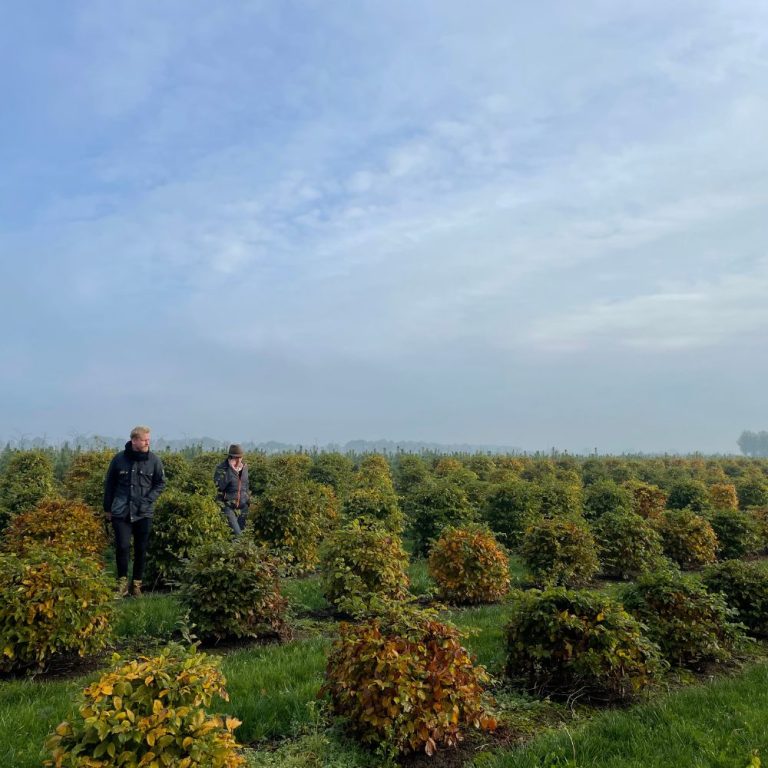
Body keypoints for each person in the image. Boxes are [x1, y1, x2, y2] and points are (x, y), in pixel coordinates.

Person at [103, 426, 166, 597]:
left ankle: (136, 585)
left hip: (143, 512)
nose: (148, 442)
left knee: (141, 548)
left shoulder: (154, 460)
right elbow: (109, 485)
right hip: (121, 511)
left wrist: (148, 500)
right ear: (134, 441)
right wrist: (107, 509)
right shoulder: (119, 460)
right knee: (122, 546)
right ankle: (122, 583)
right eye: (145, 439)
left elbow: (160, 483)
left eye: (148, 439)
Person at [214, 444, 250, 535]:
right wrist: (231, 471)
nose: (239, 460)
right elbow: (218, 487)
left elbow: (246, 485)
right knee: (238, 535)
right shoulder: (222, 468)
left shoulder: (244, 467)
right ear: (230, 457)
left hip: (243, 506)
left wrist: (247, 499)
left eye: (240, 457)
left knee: (244, 535)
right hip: (228, 506)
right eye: (236, 458)